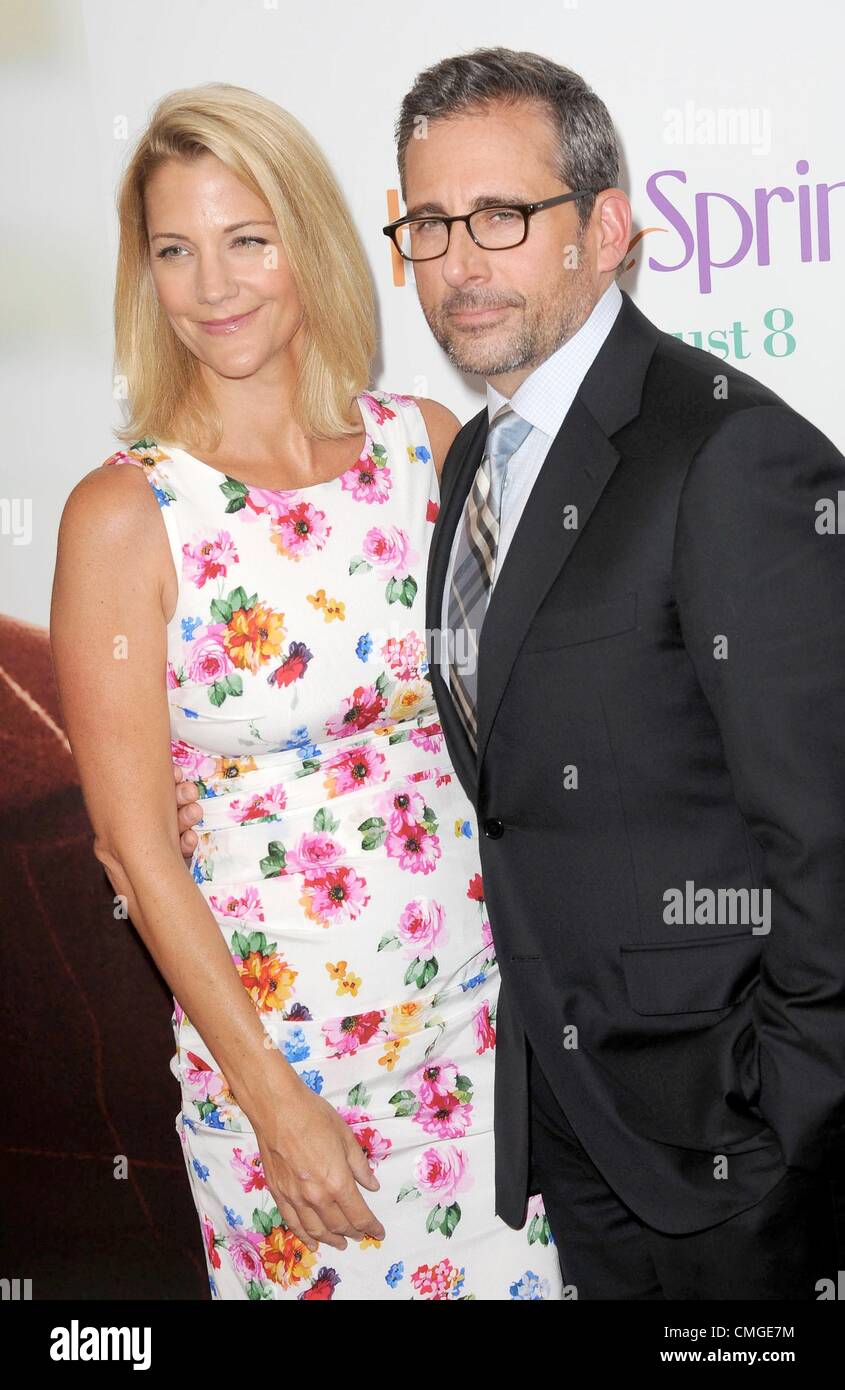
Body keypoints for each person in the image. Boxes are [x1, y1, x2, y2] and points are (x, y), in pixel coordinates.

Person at [178, 47, 845, 1300]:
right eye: (428, 222)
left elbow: (825, 837)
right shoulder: (475, 456)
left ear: (603, 228)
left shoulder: (730, 453)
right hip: (552, 1132)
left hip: (722, 1154)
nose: (459, 260)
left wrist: (783, 1134)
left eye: (500, 215)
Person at [50, 81, 563, 1301]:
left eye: (246, 240)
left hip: (483, 1050)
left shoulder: (426, 445)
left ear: (310, 245)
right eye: (174, 250)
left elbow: (519, 728)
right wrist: (273, 1104)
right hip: (289, 1081)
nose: (212, 286)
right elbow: (132, 850)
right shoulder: (125, 513)